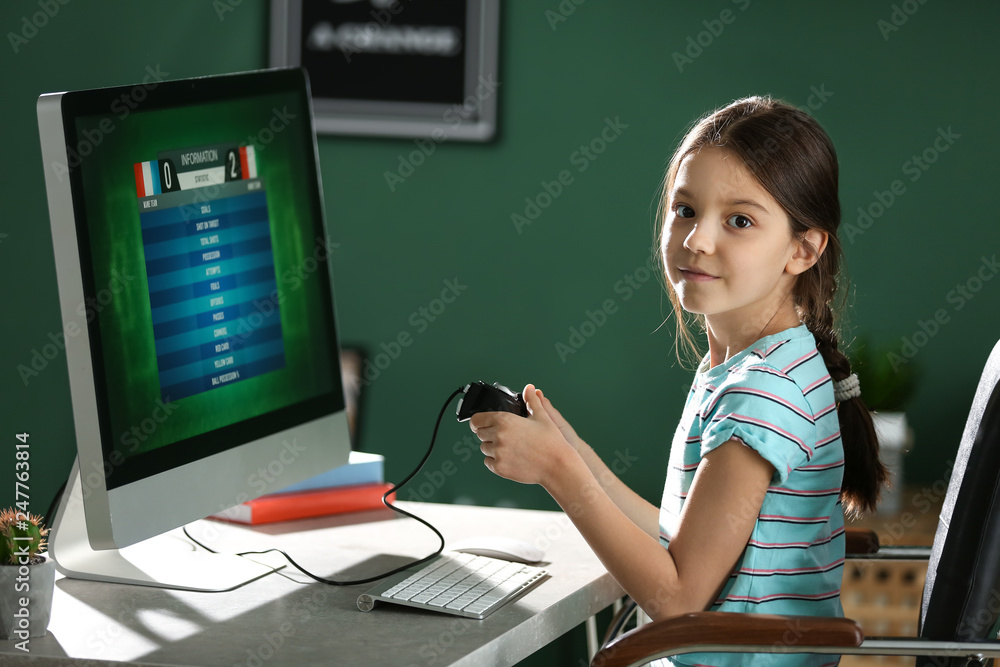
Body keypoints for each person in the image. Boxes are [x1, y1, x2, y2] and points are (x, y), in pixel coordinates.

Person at [468, 95, 887, 666]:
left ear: (803, 248)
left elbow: (679, 600)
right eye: (685, 210)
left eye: (739, 220)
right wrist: (574, 454)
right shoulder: (760, 367)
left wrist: (557, 473)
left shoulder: (761, 396)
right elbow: (678, 539)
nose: (697, 240)